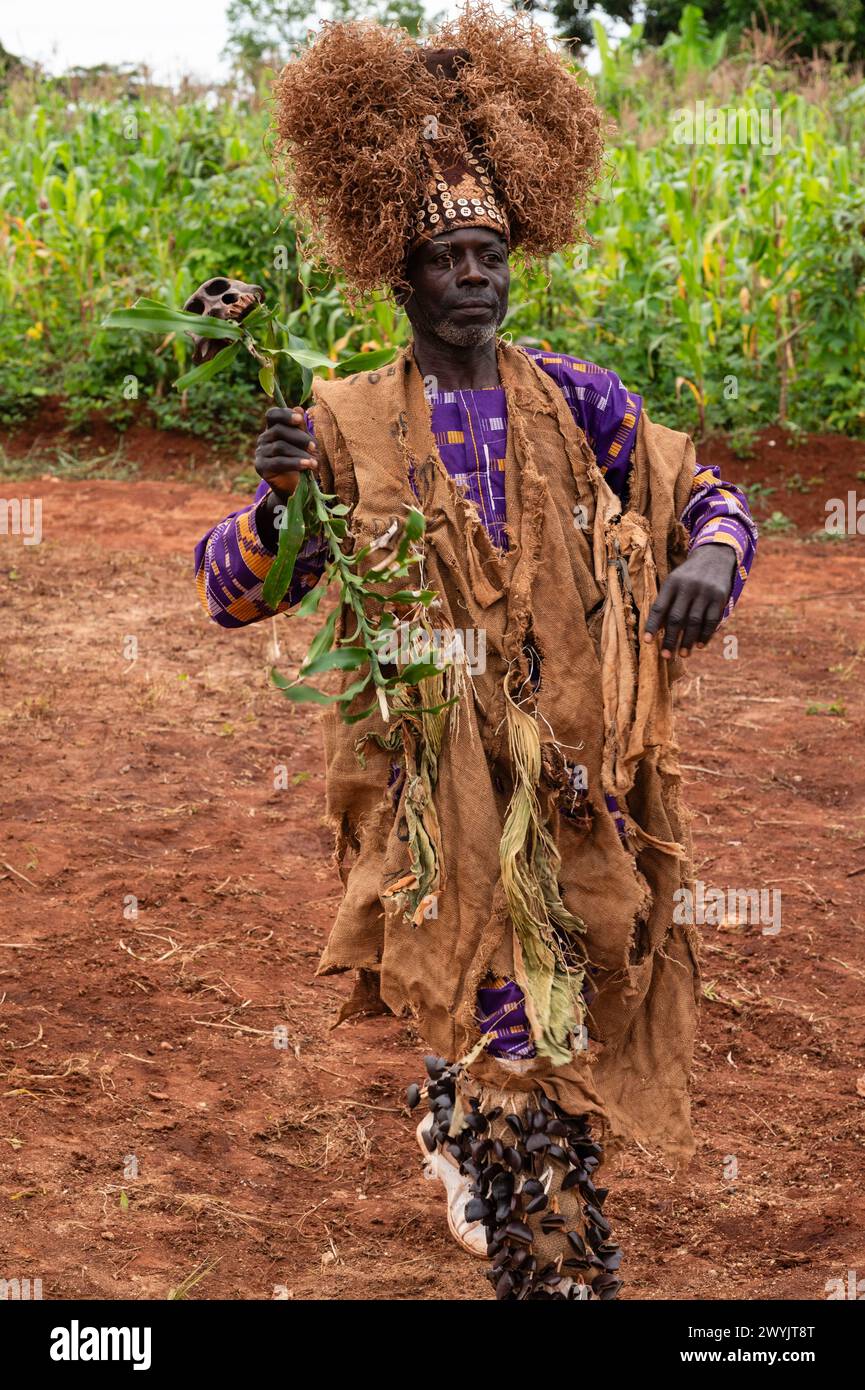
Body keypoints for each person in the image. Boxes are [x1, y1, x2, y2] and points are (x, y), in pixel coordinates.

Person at [194, 7, 757, 1300]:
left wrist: (708, 561)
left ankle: (459, 1111)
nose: (474, 277)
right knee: (520, 1065)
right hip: (436, 810)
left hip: (574, 798)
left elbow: (706, 496)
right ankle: (548, 1259)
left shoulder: (576, 399)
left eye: (490, 252)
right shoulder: (344, 427)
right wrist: (280, 508)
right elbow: (235, 588)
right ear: (401, 276)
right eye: (447, 257)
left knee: (573, 1003)